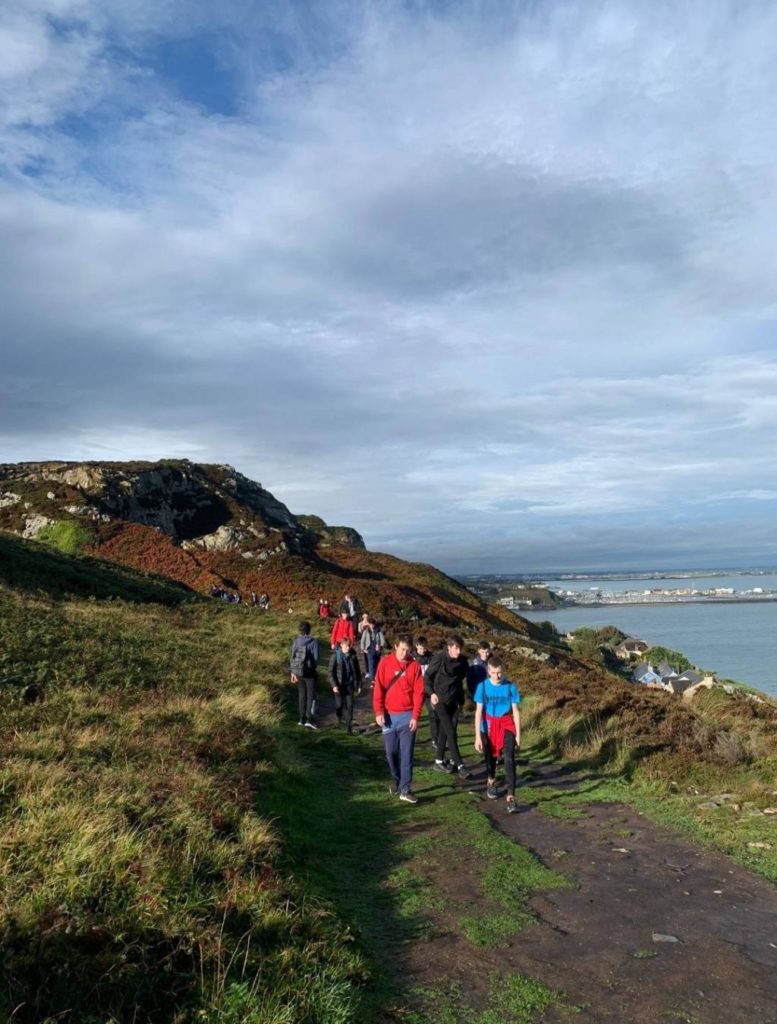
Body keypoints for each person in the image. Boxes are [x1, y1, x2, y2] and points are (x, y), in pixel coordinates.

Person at [373, 634, 425, 804]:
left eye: (408, 651)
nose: (404, 653)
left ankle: (405, 789)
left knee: (406, 753)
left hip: (407, 716)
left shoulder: (415, 666)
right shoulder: (385, 663)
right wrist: (379, 711)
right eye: (402, 649)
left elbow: (418, 693)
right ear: (395, 647)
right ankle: (396, 778)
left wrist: (415, 716)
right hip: (388, 716)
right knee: (391, 753)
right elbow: (378, 688)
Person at [473, 655, 521, 813]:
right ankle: (491, 780)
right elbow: (478, 712)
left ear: (503, 670)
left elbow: (515, 712)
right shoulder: (482, 687)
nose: (497, 676)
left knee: (509, 757)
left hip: (506, 724)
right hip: (488, 725)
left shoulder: (510, 686)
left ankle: (511, 796)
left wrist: (518, 735)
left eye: (499, 672)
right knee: (490, 757)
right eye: (493, 673)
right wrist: (478, 737)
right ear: (488, 671)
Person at [425, 635, 469, 775]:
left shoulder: (463, 662)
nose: (458, 651)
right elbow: (427, 677)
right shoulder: (439, 658)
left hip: (455, 701)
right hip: (440, 700)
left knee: (446, 730)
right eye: (456, 648)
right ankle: (460, 765)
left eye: (460, 648)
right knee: (450, 732)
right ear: (449, 647)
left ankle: (439, 761)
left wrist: (461, 702)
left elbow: (460, 681)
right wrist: (431, 693)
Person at [328, 636, 362, 733]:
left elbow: (357, 672)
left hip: (349, 684)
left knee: (350, 705)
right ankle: (339, 719)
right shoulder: (336, 656)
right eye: (347, 646)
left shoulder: (353, 657)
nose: (348, 648)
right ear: (342, 645)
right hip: (339, 685)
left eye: (349, 646)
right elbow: (330, 672)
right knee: (340, 704)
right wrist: (334, 685)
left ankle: (349, 725)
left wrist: (359, 685)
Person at [290, 621, 320, 730]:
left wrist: (293, 672)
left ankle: (301, 719)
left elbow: (292, 657)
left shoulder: (296, 641)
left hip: (299, 671)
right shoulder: (314, 642)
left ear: (300, 630)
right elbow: (316, 657)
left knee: (301, 695)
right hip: (310, 672)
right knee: (310, 696)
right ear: (309, 630)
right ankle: (309, 719)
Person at [413, 636, 436, 746]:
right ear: (416, 646)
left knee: (433, 714)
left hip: (428, 691)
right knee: (414, 715)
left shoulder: (431, 657)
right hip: (416, 691)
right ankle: (410, 737)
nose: (422, 650)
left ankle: (435, 739)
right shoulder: (412, 658)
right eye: (420, 648)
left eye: (424, 648)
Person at [360, 618, 384, 683]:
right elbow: (362, 640)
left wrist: (380, 646)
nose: (372, 626)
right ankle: (372, 679)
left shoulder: (378, 631)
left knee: (377, 664)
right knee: (371, 664)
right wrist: (363, 649)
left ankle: (376, 676)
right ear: (369, 624)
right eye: (370, 624)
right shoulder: (366, 631)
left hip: (377, 650)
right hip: (369, 650)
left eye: (373, 624)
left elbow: (382, 640)